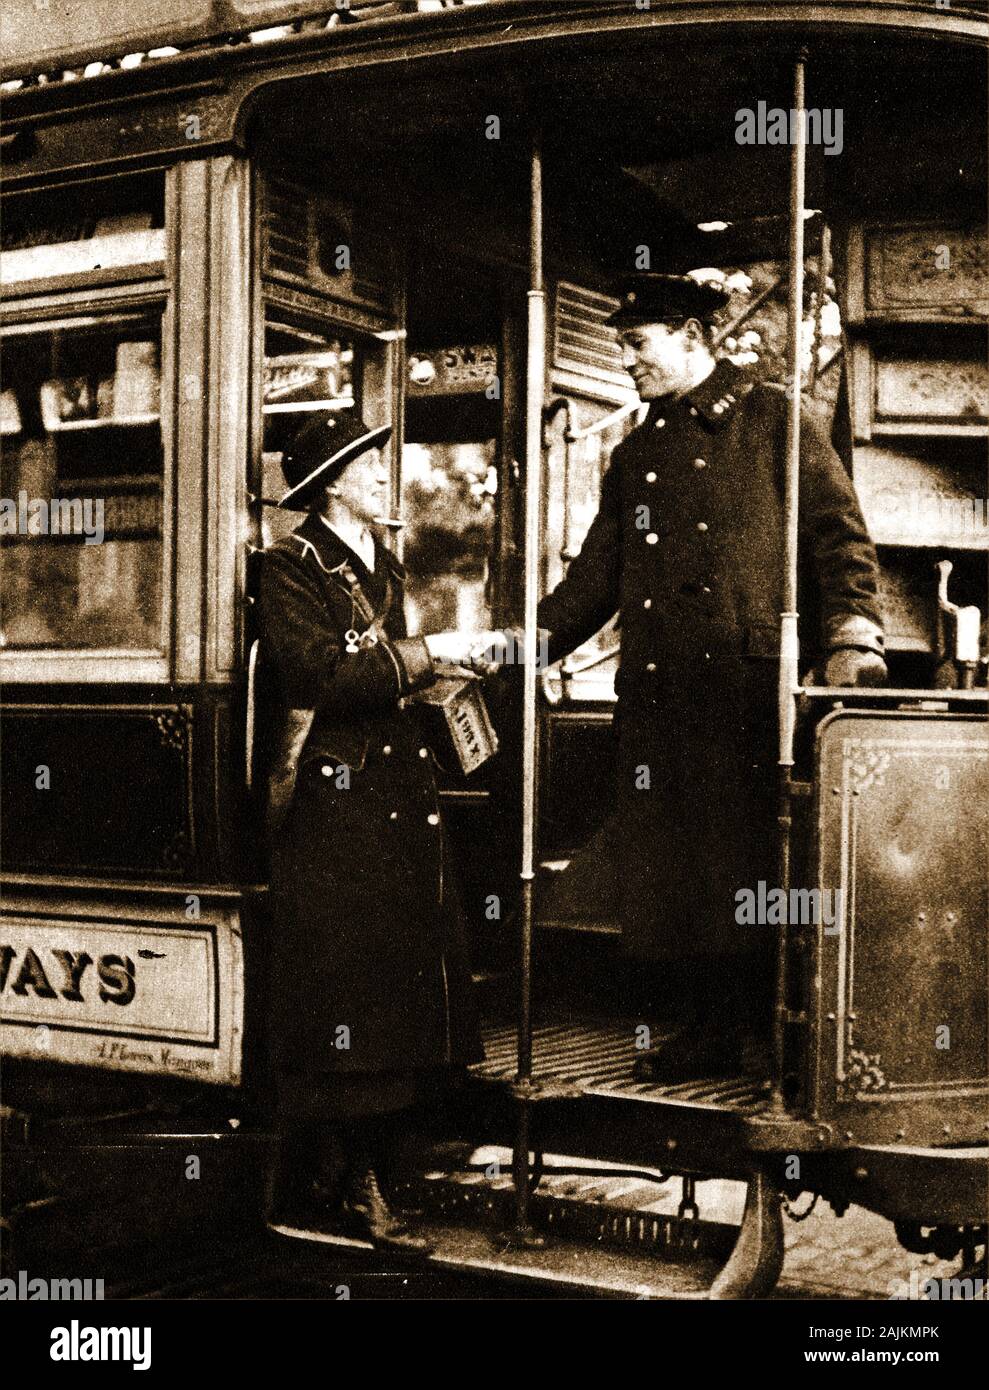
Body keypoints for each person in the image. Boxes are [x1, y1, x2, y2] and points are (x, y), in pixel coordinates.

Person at [483, 272, 886, 1082]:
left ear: (693, 338)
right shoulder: (636, 453)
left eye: (638, 344)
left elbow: (839, 539)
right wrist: (510, 650)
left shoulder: (776, 419)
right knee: (676, 870)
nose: (627, 362)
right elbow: (593, 582)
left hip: (747, 695)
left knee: (756, 865)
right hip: (664, 697)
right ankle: (705, 1027)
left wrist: (852, 636)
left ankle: (784, 1034)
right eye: (623, 346)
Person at [257, 408, 489, 1249]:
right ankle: (354, 1188)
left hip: (390, 802)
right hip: (337, 811)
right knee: (349, 1001)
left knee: (389, 994)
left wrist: (443, 676)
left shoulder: (374, 562)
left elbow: (383, 672)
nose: (385, 478)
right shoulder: (287, 565)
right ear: (332, 485)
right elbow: (315, 674)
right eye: (371, 467)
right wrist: (430, 653)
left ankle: (366, 1174)